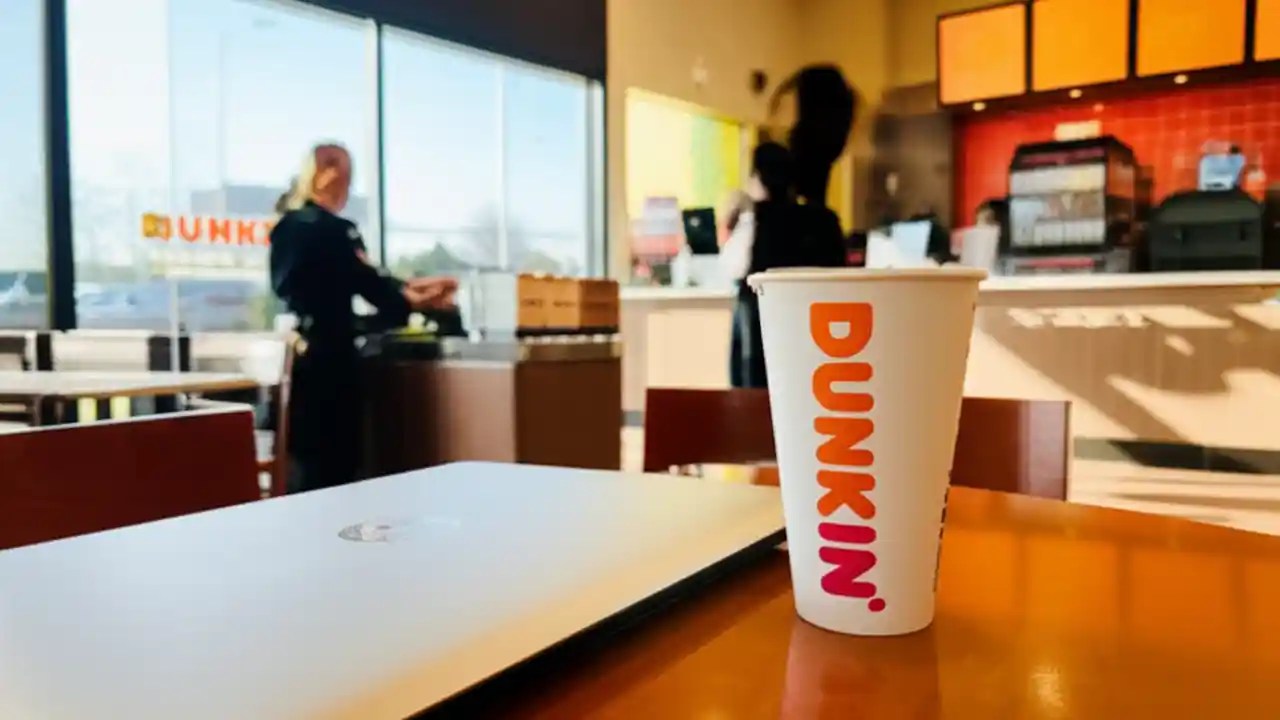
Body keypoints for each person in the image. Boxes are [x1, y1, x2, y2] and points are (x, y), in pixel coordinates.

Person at [270, 142, 455, 493]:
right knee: (338, 463)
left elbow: (291, 287)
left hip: (301, 359)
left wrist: (402, 292)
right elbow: (372, 285)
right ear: (327, 175)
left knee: (305, 465)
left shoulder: (286, 227)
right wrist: (417, 301)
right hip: (334, 357)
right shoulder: (336, 231)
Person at [729, 142, 846, 388]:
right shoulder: (823, 221)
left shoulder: (757, 219)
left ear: (758, 178)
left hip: (763, 349)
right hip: (817, 344)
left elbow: (732, 267)